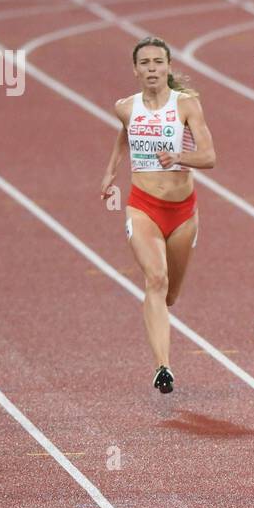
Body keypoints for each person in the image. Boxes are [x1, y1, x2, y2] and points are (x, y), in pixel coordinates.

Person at [101, 38, 216, 394]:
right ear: (135, 70)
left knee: (169, 296)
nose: (151, 68)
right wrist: (111, 171)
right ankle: (163, 367)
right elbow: (126, 134)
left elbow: (209, 156)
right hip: (143, 206)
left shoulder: (187, 105)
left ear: (167, 66)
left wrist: (179, 157)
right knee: (156, 278)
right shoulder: (125, 107)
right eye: (145, 63)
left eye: (157, 62)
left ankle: (159, 321)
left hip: (182, 212)